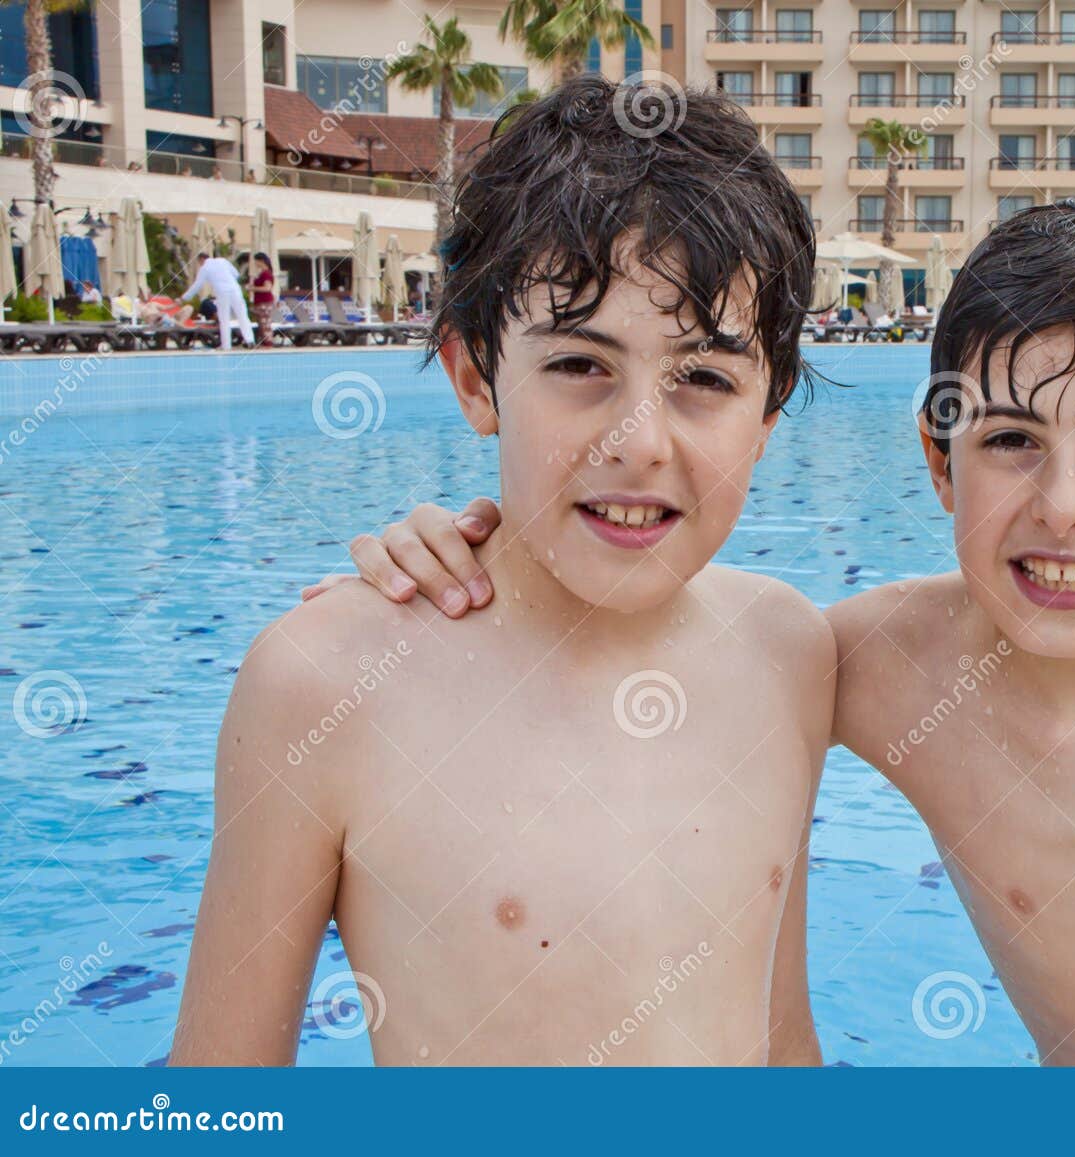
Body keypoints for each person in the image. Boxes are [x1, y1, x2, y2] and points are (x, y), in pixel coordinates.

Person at [333, 197, 1075, 1067]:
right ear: (936, 455)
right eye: (1010, 440)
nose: (1062, 504)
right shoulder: (864, 665)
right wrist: (461, 558)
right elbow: (628, 654)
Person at [170, 76, 831, 1067]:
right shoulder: (325, 683)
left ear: (766, 418)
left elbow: (780, 1037)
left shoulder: (790, 651)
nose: (640, 443)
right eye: (578, 365)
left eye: (702, 379)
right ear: (476, 377)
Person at [178, 251, 254, 351]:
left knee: (224, 319)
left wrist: (184, 298)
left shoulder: (204, 268)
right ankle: (250, 340)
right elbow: (236, 274)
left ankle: (226, 345)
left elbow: (197, 285)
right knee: (242, 316)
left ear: (201, 260)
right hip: (235, 290)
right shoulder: (223, 261)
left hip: (222, 293)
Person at [247, 251, 276, 347]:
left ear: (261, 261)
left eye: (256, 261)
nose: (255, 263)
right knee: (262, 324)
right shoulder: (263, 273)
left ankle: (268, 343)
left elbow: (267, 288)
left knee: (265, 324)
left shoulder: (266, 274)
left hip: (265, 302)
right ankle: (265, 342)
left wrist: (252, 288)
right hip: (261, 302)